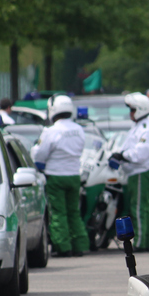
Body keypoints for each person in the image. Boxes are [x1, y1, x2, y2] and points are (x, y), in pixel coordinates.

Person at [31, 95, 90, 257]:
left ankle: (63, 247)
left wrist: (39, 161)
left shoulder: (51, 131)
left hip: (55, 176)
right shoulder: (78, 129)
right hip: (73, 175)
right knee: (74, 212)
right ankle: (80, 245)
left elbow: (39, 153)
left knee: (58, 213)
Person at [111, 92, 149, 251]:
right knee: (141, 207)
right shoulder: (139, 126)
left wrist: (123, 155)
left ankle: (142, 242)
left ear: (140, 109)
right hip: (135, 173)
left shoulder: (146, 128)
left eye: (133, 110)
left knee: (140, 208)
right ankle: (146, 240)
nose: (130, 113)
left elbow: (140, 153)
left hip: (141, 172)